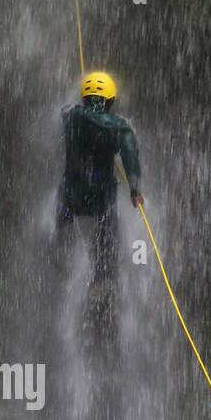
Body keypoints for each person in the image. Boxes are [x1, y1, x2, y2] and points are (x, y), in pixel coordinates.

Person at [55, 71, 144, 280]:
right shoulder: (121, 128)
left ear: (84, 97)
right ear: (110, 100)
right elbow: (130, 155)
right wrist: (134, 189)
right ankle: (103, 273)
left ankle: (59, 257)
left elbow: (65, 111)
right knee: (108, 228)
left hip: (72, 195)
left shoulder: (70, 116)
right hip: (101, 197)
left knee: (61, 214)